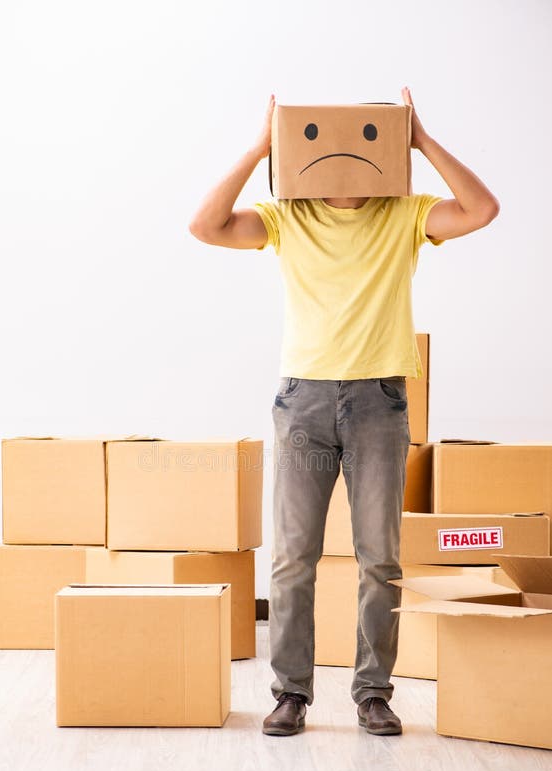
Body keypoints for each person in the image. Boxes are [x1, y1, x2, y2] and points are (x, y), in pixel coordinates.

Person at [189, 86, 500, 738]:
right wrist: (257, 149)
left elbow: (481, 208)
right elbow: (206, 226)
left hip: (377, 401)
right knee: (292, 557)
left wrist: (419, 141)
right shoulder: (286, 215)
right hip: (301, 397)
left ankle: (371, 695)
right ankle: (291, 695)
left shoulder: (404, 213)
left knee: (378, 558)